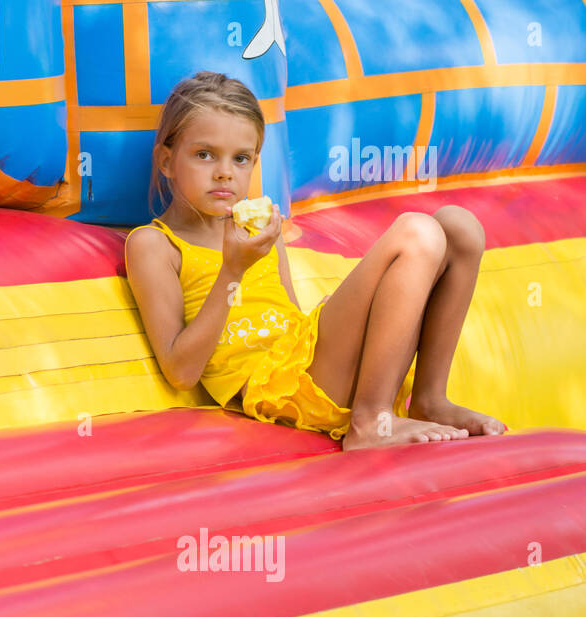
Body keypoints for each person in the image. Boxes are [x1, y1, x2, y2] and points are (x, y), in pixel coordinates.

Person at [125, 71, 506, 450]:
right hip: (274, 382)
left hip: (312, 363)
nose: (225, 171)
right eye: (204, 154)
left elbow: (291, 319)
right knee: (416, 231)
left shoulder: (259, 233)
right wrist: (233, 271)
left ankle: (428, 399)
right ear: (166, 161)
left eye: (241, 159)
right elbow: (181, 371)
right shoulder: (155, 245)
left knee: (461, 226)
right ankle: (370, 420)